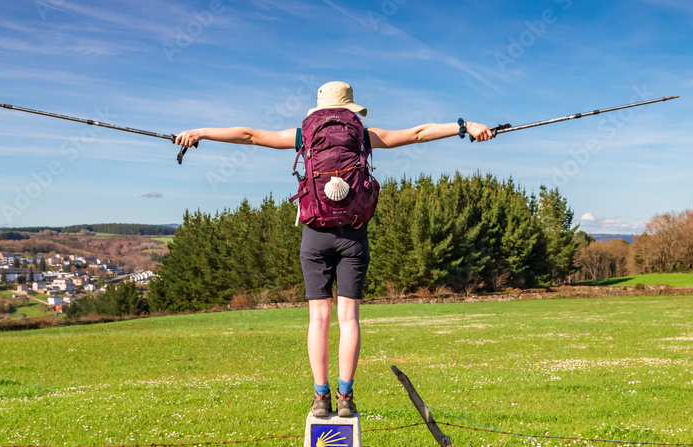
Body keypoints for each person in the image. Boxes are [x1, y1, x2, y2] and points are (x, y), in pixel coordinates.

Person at [174, 81, 494, 419]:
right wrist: (464, 126)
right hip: (354, 233)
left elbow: (250, 135)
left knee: (319, 318)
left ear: (319, 110)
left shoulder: (305, 136)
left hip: (315, 233)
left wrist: (201, 132)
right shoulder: (363, 136)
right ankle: (345, 396)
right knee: (348, 317)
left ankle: (320, 396)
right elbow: (417, 133)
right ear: (350, 110)